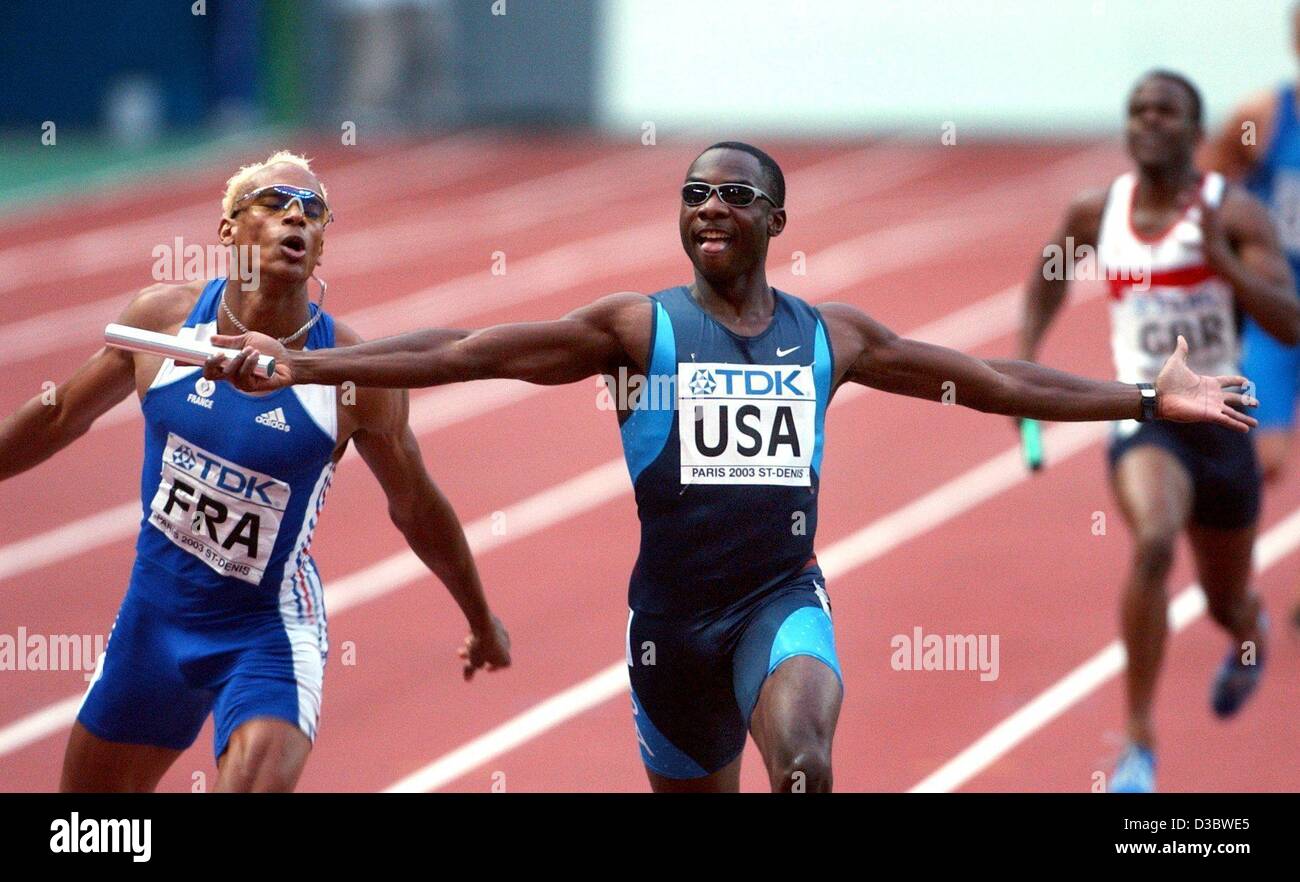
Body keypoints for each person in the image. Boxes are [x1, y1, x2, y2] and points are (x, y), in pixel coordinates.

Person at [208, 141, 1257, 793]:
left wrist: (1140, 399)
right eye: (694, 192)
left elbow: (982, 377)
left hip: (777, 601)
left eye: (733, 195)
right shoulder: (635, 331)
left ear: (773, 222)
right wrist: (307, 362)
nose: (709, 206)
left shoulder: (829, 337)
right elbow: (467, 351)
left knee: (803, 762)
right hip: (669, 629)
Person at [0, 151, 511, 792]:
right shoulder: (163, 322)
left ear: (320, 248)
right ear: (229, 231)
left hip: (266, 632)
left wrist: (479, 616)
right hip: (153, 622)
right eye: (273, 202)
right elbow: (58, 417)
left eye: (314, 211)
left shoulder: (353, 374)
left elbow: (414, 503)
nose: (296, 216)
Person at [1017, 73, 1299, 792]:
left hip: (1225, 419)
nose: (1149, 121)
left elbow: (1289, 322)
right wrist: (1026, 357)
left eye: (1165, 112)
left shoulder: (1231, 213)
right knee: (1153, 538)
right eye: (1138, 110)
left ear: (1193, 128)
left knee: (1222, 599)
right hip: (1146, 414)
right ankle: (1138, 741)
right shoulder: (1096, 212)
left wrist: (1224, 260)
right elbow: (1049, 274)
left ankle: (1248, 632)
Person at [1201, 2, 1300, 627]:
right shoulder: (1265, 116)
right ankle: (1235, 590)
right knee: (1260, 456)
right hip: (1278, 307)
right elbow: (1208, 187)